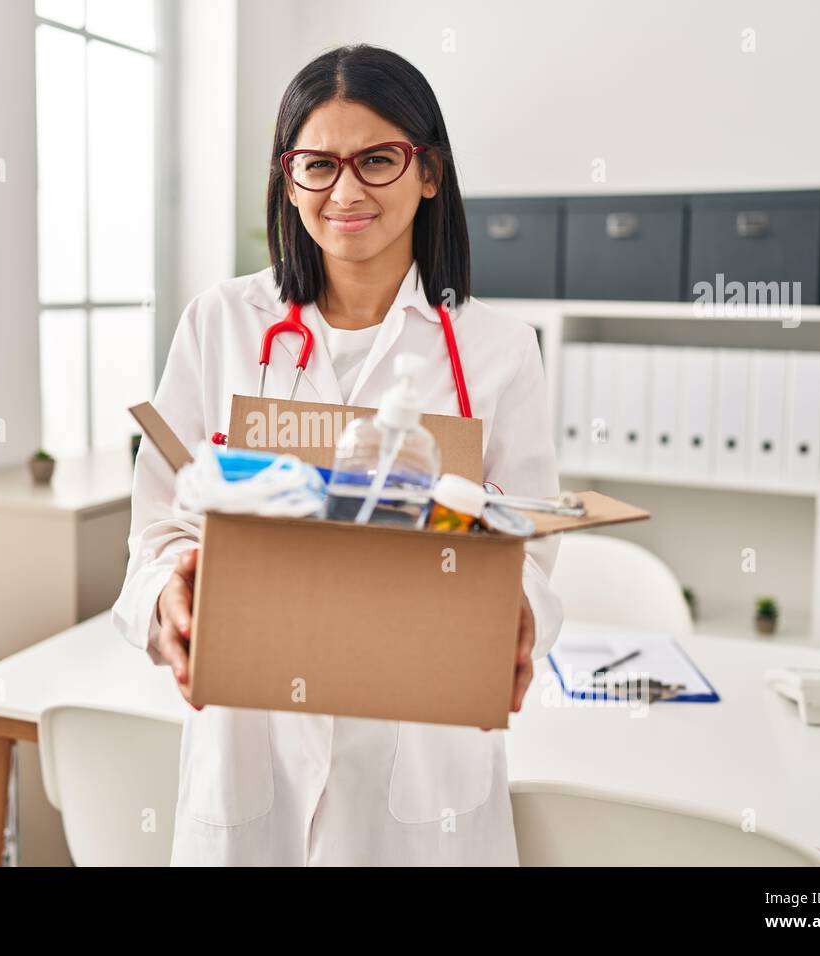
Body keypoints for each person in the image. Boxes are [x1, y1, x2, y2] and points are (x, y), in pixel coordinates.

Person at [113, 44, 562, 865]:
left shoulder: (500, 351)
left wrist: (519, 609)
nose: (346, 192)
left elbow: (530, 545)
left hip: (422, 772)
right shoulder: (220, 324)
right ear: (289, 179)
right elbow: (157, 537)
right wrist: (165, 609)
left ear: (429, 172)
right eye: (317, 165)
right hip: (250, 759)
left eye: (378, 160)